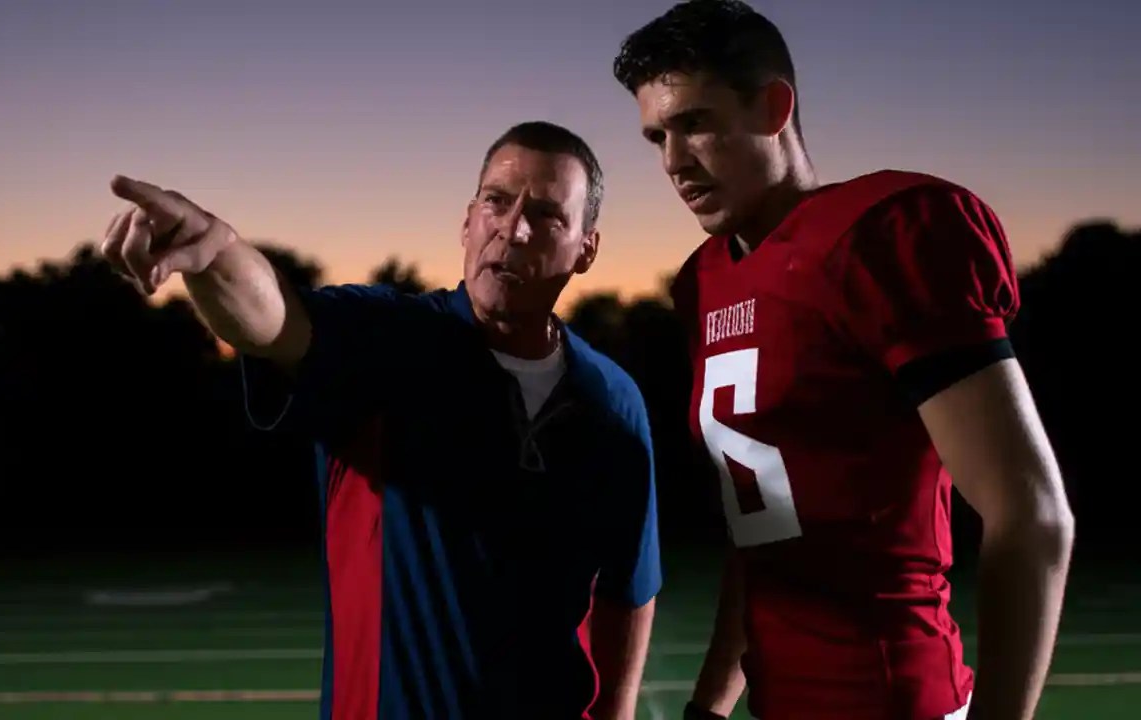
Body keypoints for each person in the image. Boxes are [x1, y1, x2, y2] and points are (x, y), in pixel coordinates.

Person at [98, 120, 661, 720]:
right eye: (496, 201)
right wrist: (216, 253)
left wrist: (618, 712)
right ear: (467, 221)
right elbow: (275, 321)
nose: (512, 228)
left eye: (547, 214)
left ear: (586, 249)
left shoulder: (612, 401)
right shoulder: (389, 343)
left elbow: (630, 585)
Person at [611, 2, 1075, 720]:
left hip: (898, 698)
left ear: (773, 106)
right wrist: (709, 704)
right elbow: (763, 531)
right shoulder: (703, 280)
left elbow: (1033, 512)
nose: (673, 161)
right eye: (656, 137)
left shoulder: (883, 233)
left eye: (695, 123)